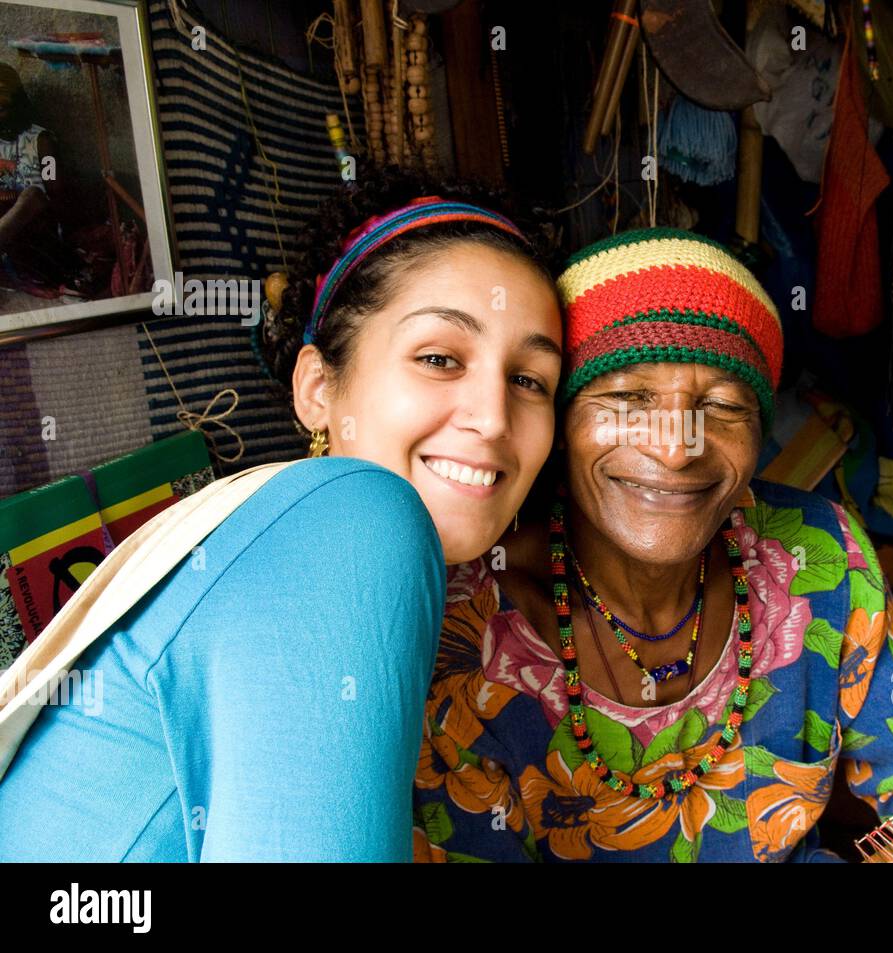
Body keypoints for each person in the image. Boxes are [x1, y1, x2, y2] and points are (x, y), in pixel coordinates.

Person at [412, 228, 893, 863]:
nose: (674, 447)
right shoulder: (469, 631)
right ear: (561, 424)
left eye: (723, 405)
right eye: (626, 398)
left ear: (759, 434)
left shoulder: (818, 554)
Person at [0, 167, 563, 861]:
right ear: (317, 388)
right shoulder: (353, 519)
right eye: (441, 357)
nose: (494, 417)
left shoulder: (285, 539)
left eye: (530, 379)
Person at [0, 62, 67, 294]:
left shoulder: (41, 141)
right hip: (4, 220)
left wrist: (18, 198)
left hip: (35, 228)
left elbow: (55, 192)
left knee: (32, 195)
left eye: (2, 110)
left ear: (17, 104)